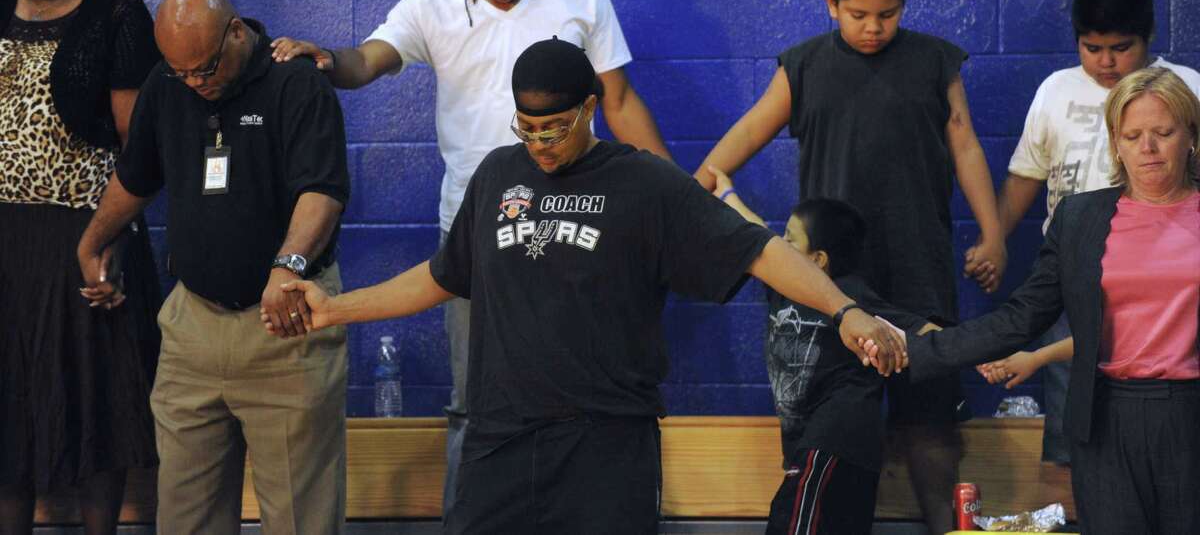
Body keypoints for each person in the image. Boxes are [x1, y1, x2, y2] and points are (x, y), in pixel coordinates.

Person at [266, 38, 907, 535]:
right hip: (500, 440)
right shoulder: (496, 176)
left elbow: (759, 248)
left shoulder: (646, 184)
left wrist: (845, 308)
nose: (540, 143)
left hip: (605, 443)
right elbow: (441, 277)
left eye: (555, 128)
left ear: (590, 108)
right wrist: (332, 310)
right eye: (527, 127)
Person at [268, 0, 671, 511]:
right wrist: (326, 59)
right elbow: (368, 60)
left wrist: (670, 189)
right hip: (480, 235)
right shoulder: (433, 5)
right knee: (474, 403)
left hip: (582, 226)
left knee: (590, 398)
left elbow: (617, 101)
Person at [694, 0, 1003, 535]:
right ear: (830, 4)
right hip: (831, 278)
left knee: (930, 419)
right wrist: (697, 188)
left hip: (918, 262)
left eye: (886, 15)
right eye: (858, 15)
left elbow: (963, 142)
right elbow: (748, 131)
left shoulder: (936, 61)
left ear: (904, 7)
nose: (872, 28)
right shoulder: (803, 65)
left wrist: (993, 235)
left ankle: (947, 525)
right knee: (831, 418)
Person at [75, 0, 351, 534]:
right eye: (181, 73)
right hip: (193, 325)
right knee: (184, 516)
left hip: (284, 326)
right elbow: (136, 177)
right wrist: (92, 241)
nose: (195, 84)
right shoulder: (169, 84)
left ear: (236, 33)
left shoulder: (294, 82)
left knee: (301, 517)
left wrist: (287, 266)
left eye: (203, 69)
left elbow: (323, 190)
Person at [909, 66, 1200, 535]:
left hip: (1189, 412)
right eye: (1132, 135)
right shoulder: (1081, 217)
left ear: (1191, 136)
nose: (1147, 148)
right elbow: (1022, 315)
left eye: (1163, 133)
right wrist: (918, 352)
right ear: (1115, 143)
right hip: (1103, 416)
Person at [969, 0, 1200, 465]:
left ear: (1149, 37)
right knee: (1071, 420)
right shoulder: (1055, 91)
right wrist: (996, 240)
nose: (1106, 61)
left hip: (1163, 279)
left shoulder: (1185, 88)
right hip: (1073, 277)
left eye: (1121, 47)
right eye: (1092, 48)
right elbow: (1025, 179)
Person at [0, 0, 160, 535]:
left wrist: (109, 245)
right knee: (10, 407)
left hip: (89, 232)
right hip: (8, 235)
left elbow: (139, 148)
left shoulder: (117, 15)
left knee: (96, 404)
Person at [707, 167, 938, 535]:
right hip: (819, 449)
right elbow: (753, 230)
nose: (779, 246)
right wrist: (726, 191)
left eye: (790, 240)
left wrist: (988, 351)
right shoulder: (784, 284)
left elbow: (922, 329)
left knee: (789, 524)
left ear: (818, 260)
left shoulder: (851, 296)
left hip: (836, 440)